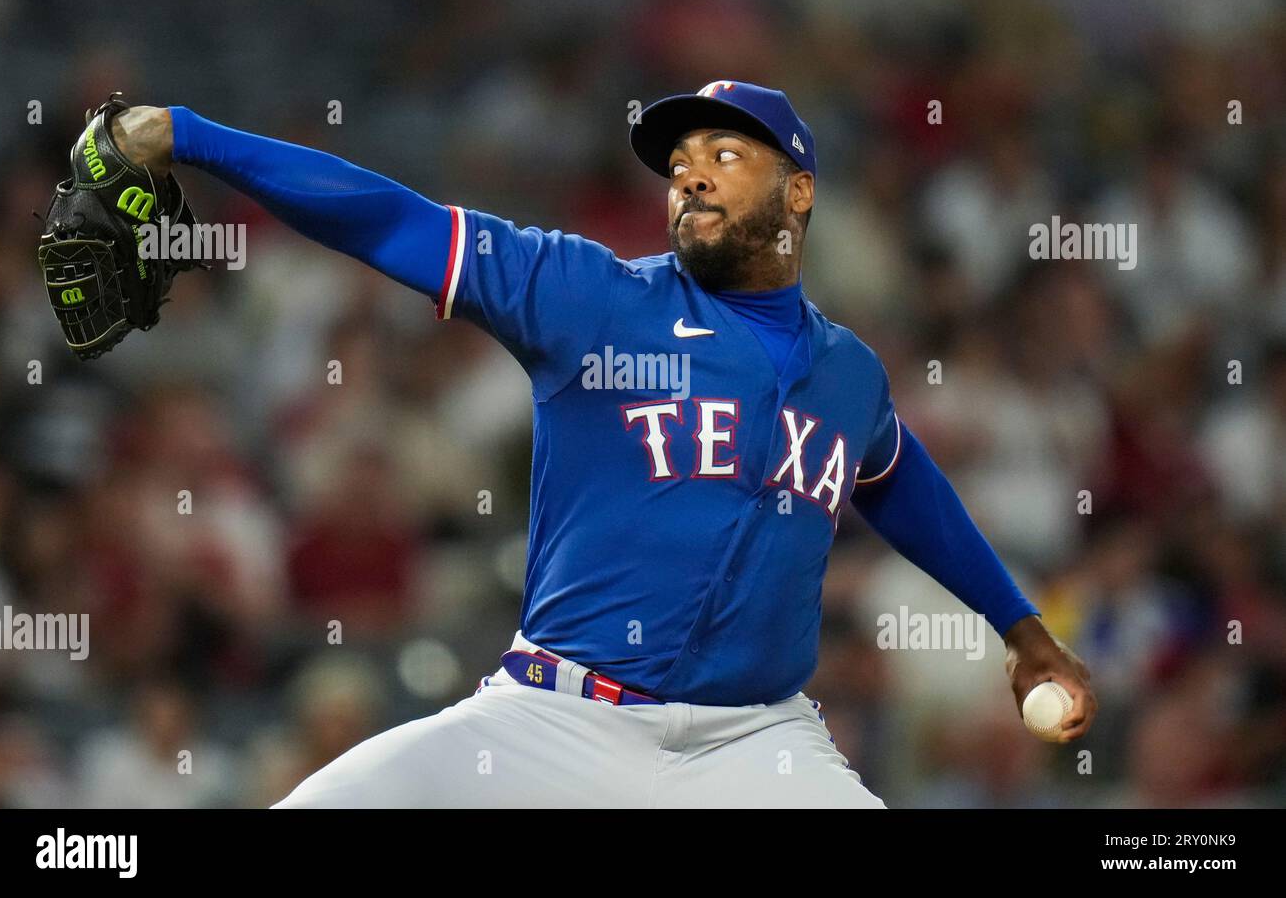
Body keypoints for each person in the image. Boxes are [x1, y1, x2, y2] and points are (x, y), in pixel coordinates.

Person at [109, 78, 1096, 807]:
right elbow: (389, 220)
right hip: (552, 718)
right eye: (678, 165)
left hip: (754, 745)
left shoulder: (849, 375)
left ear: (798, 192)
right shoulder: (588, 296)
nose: (690, 175)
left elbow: (897, 482)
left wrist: (1018, 626)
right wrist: (192, 137)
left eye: (723, 154)